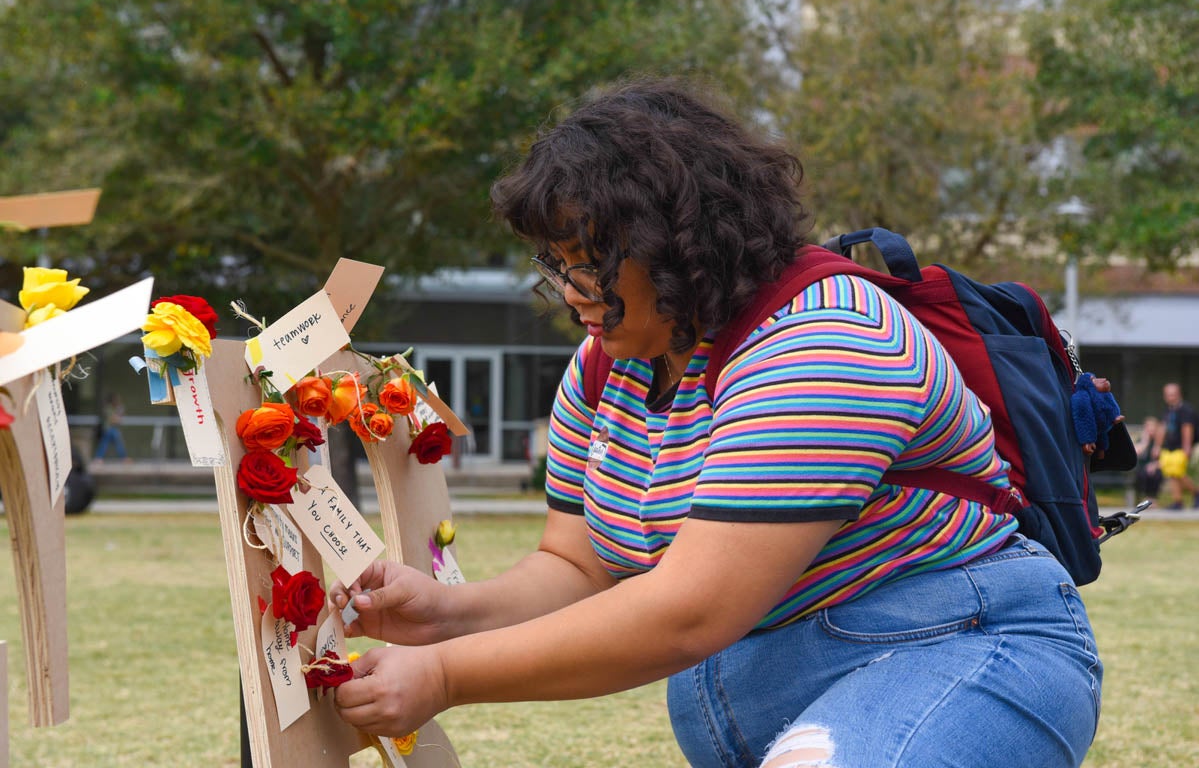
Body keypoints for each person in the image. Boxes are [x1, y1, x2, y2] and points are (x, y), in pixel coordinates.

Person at [329, 78, 1102, 767]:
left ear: (680, 243)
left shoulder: (826, 341)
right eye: (553, 261)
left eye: (588, 259)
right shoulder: (615, 361)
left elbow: (691, 610)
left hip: (954, 658)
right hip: (784, 700)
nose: (569, 291)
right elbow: (579, 567)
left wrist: (445, 676)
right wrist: (447, 615)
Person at [1152, 382, 1196, 510]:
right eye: (1168, 395)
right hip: (1168, 447)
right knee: (1172, 474)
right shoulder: (1168, 410)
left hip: (1180, 448)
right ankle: (1178, 501)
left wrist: (1187, 447)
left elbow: (1187, 429)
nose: (1171, 397)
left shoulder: (1186, 410)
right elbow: (1162, 428)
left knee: (1178, 472)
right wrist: (1157, 446)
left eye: (1173, 394)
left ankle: (1196, 492)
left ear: (1178, 394)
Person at [93, 392, 130, 462]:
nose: (118, 401)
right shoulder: (108, 408)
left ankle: (98, 458)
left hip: (112, 429)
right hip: (108, 429)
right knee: (116, 442)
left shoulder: (116, 408)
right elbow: (113, 419)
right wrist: (118, 415)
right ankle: (124, 458)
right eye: (116, 399)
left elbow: (120, 417)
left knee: (105, 443)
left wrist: (120, 413)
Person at [1133, 416, 1163, 502]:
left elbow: (1164, 459)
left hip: (1157, 467)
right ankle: (1146, 498)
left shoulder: (1160, 441)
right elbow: (1136, 453)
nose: (1151, 429)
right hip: (1142, 467)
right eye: (1148, 427)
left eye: (1153, 427)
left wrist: (1155, 465)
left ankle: (1152, 499)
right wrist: (1145, 441)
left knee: (1156, 474)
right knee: (1142, 474)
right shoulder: (1142, 440)